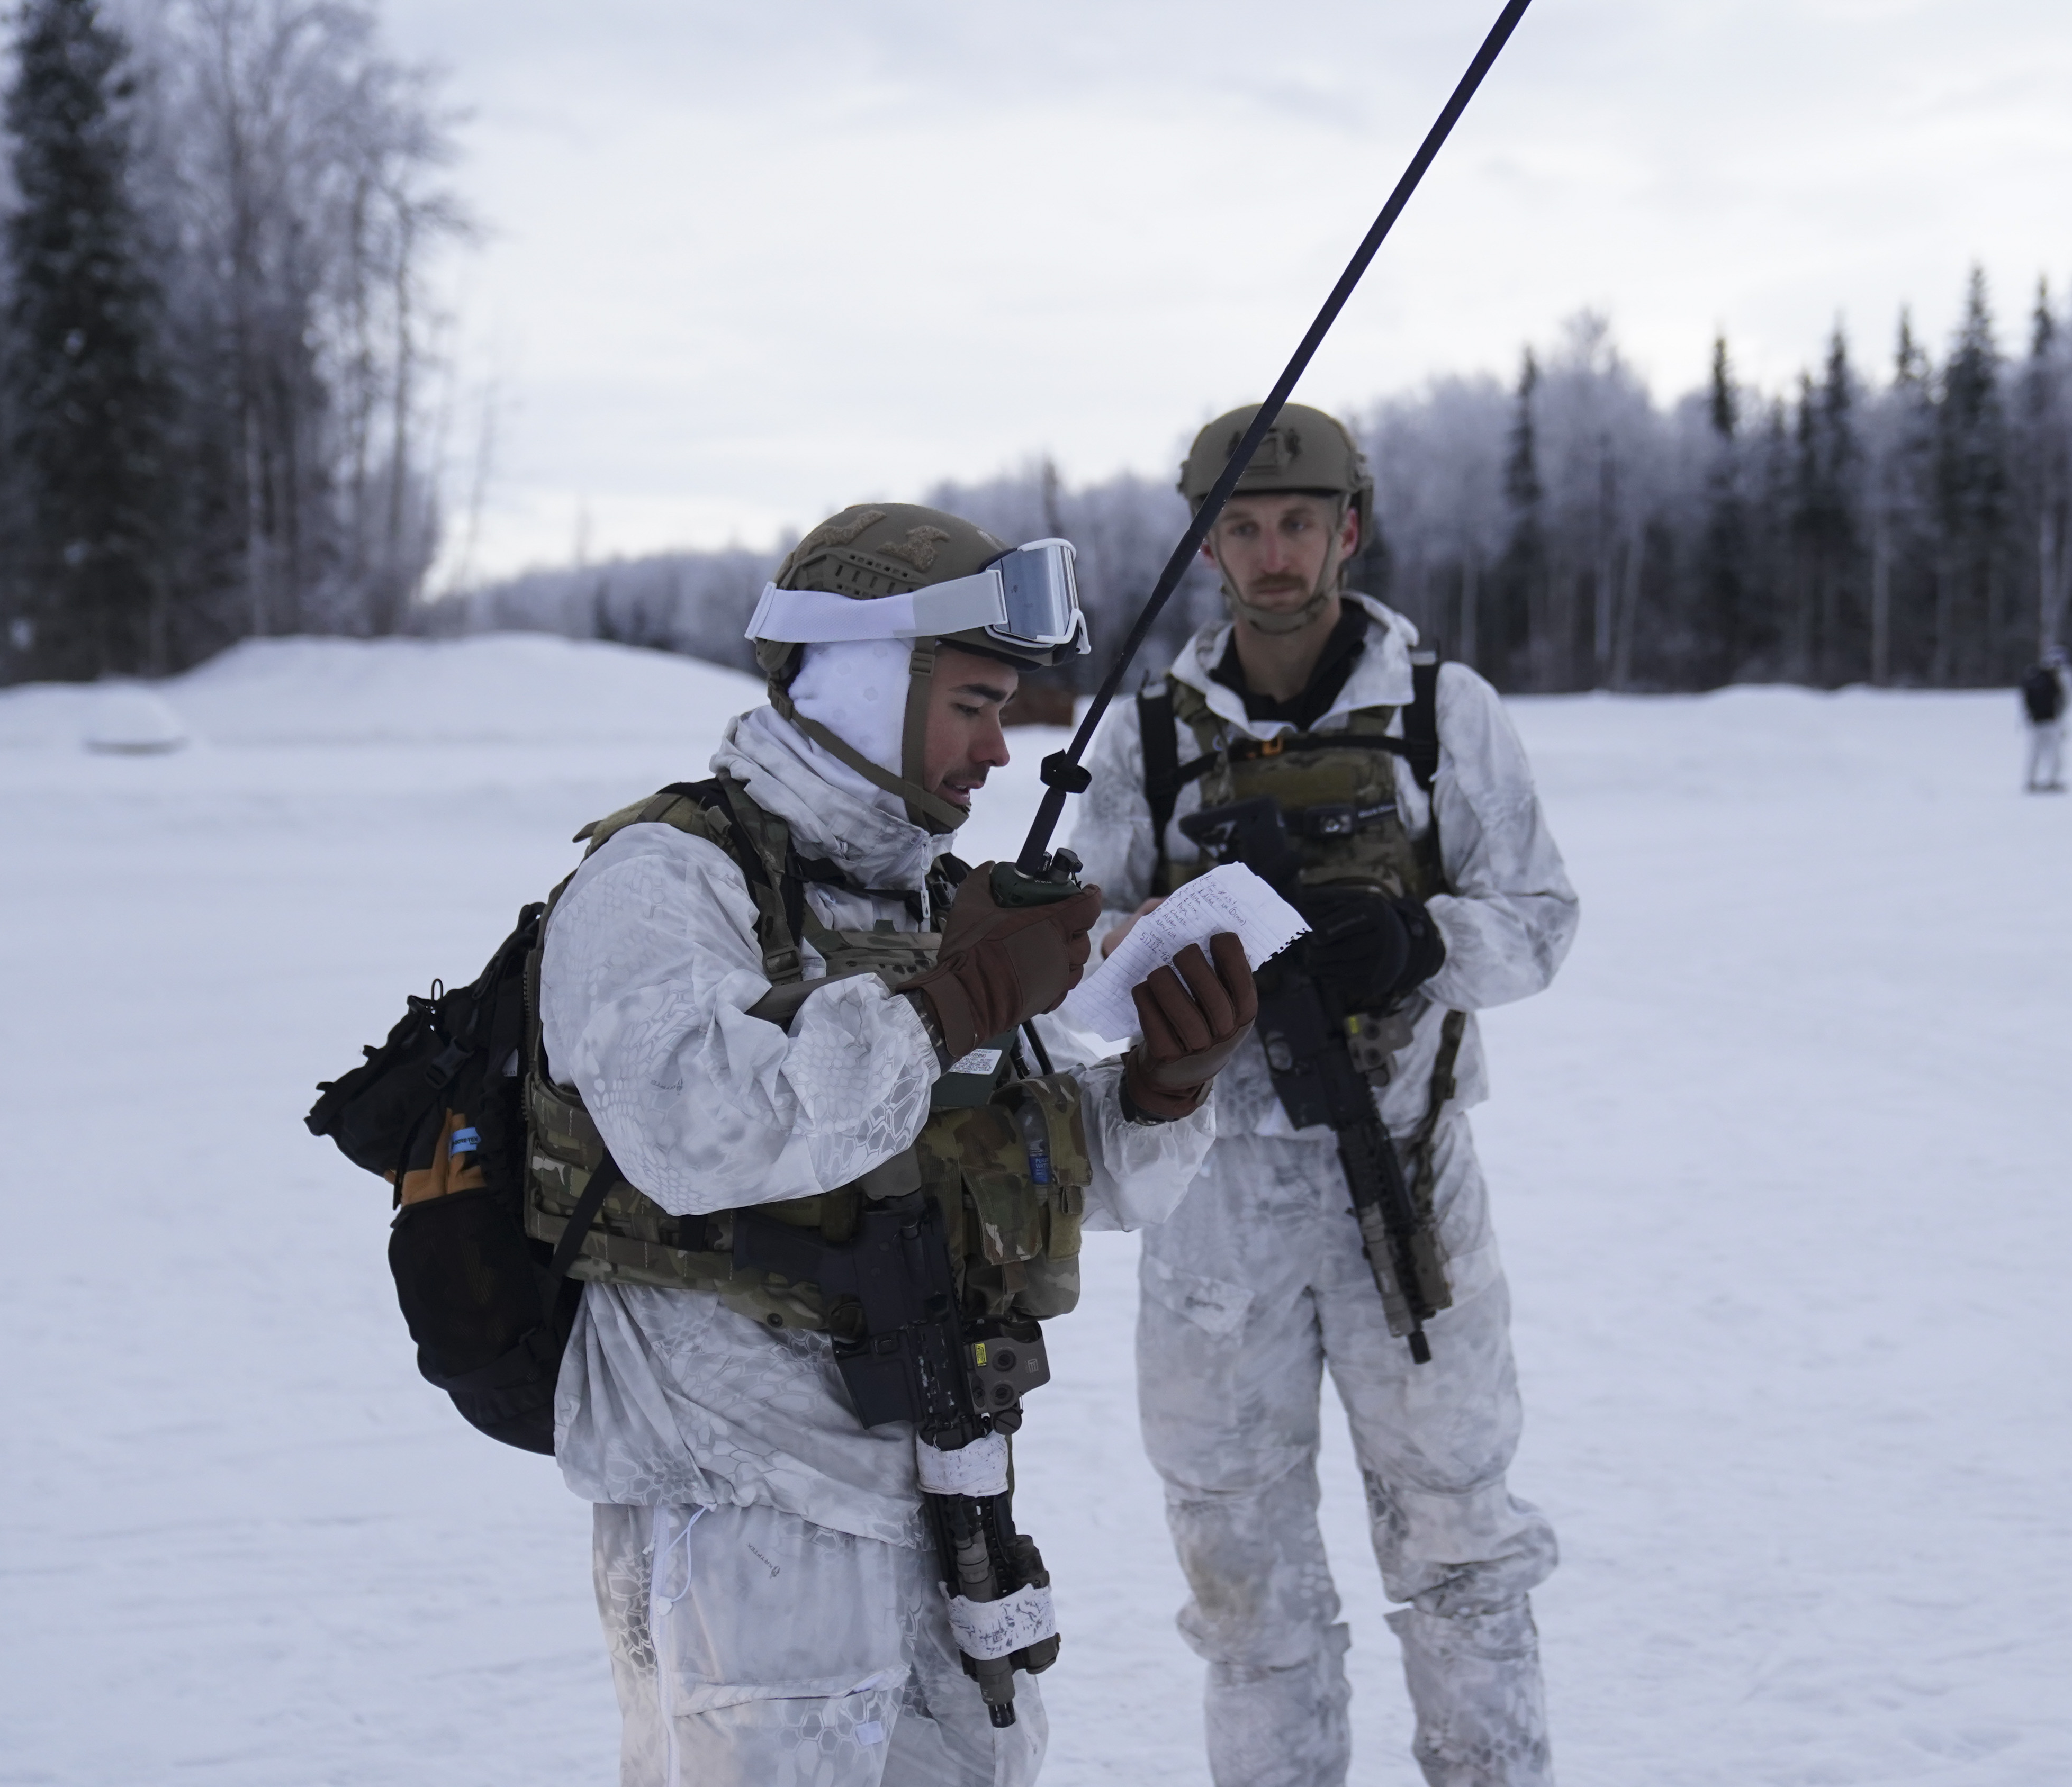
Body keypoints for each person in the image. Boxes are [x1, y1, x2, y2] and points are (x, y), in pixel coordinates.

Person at [534, 502, 1258, 1786]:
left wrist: (1158, 1091)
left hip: (942, 1478)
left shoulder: (926, 900)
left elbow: (1025, 1171)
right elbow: (699, 1126)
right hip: (743, 1498)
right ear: (873, 679)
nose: (997, 745)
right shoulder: (664, 879)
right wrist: (956, 1001)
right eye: (974, 702)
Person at [1059, 405, 1580, 1787]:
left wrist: (1419, 941)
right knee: (1241, 1573)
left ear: (1349, 529)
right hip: (1211, 1192)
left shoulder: (1436, 710)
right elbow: (1064, 948)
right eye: (1243, 526)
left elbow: (1537, 918)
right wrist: (1161, 941)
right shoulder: (1145, 739)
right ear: (1208, 542)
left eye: (1300, 522)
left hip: (1408, 1177)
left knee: (1462, 1548)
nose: (1274, 553)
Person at [2021, 645, 2072, 793]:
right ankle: (2052, 780)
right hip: (2051, 721)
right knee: (2054, 753)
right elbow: (2063, 700)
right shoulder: (2054, 679)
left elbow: (2026, 699)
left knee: (2035, 752)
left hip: (2036, 721)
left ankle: (2031, 780)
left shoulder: (2032, 678)